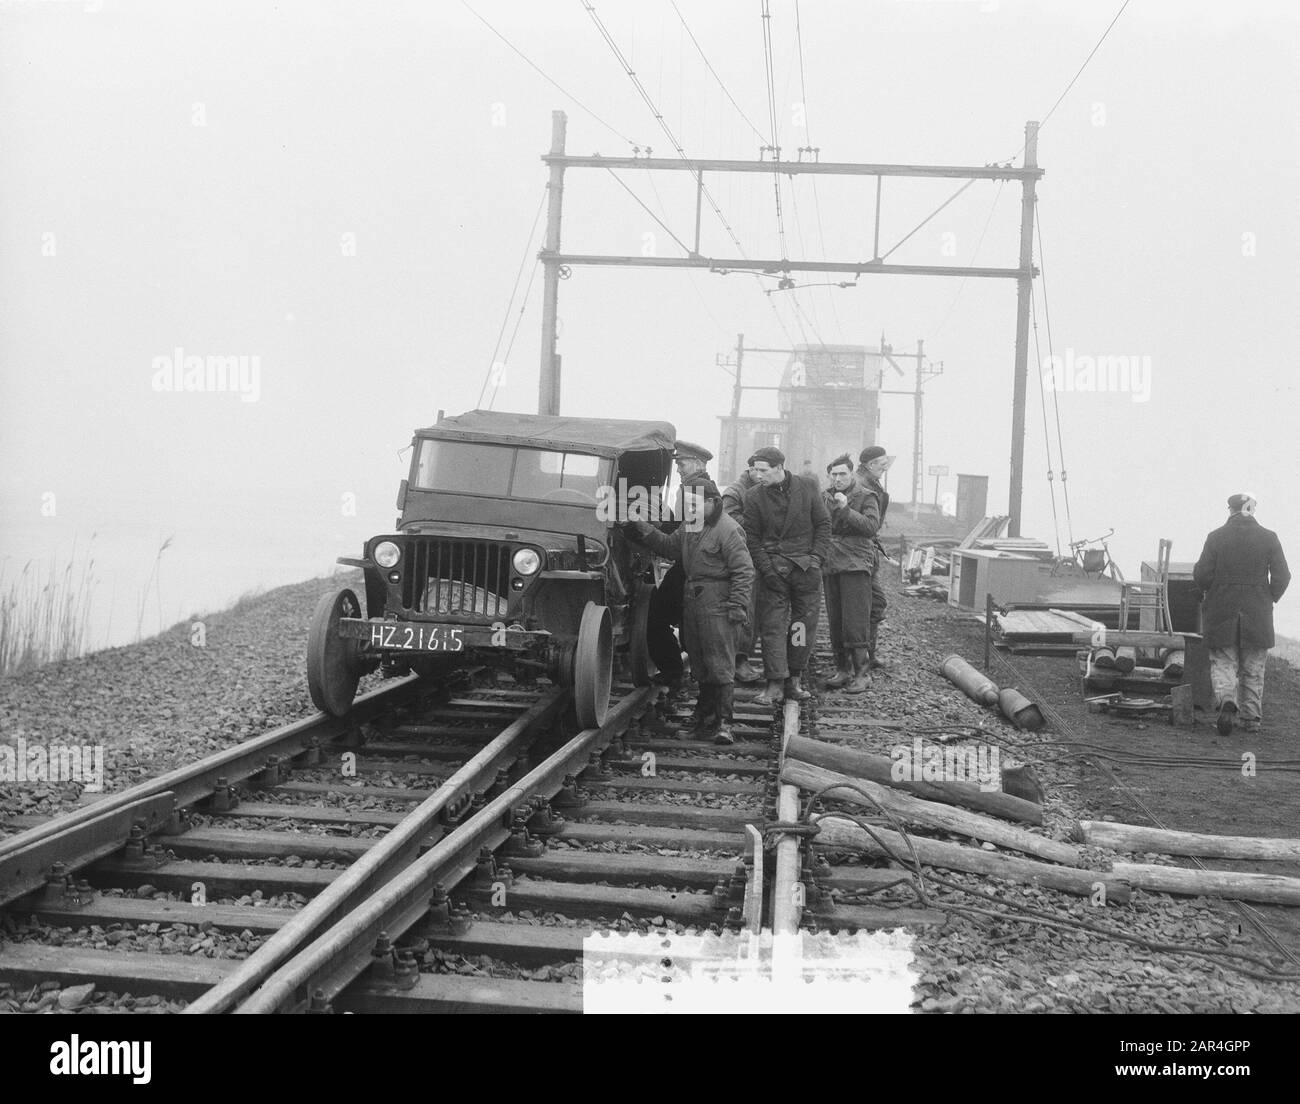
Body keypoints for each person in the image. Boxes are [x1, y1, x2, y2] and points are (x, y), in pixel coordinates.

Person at [627, 480, 754, 745]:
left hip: (718, 603)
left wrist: (737, 606)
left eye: (694, 505)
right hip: (693, 601)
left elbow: (744, 571)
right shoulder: (691, 525)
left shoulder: (729, 530)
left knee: (720, 664)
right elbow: (670, 547)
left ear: (713, 503)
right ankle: (703, 719)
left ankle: (724, 724)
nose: (690, 510)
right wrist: (641, 526)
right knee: (699, 662)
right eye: (687, 505)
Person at [1193, 493, 1290, 736]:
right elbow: (1283, 576)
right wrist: (1268, 596)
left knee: (1224, 662)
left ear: (1230, 509)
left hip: (1222, 610)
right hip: (1258, 612)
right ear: (1253, 510)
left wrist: (1213, 588)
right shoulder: (1269, 538)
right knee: (1253, 667)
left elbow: (1202, 575)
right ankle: (1251, 719)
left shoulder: (1215, 538)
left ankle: (1227, 699)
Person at [742, 446, 831, 704]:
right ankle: (774, 684)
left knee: (801, 627)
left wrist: (816, 559)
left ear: (779, 467)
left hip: (806, 571)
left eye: (763, 470)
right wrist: (767, 570)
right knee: (773, 628)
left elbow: (823, 524)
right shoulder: (754, 496)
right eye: (755, 470)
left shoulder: (807, 487)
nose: (758, 475)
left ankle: (794, 679)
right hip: (773, 572)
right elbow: (753, 538)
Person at [645, 440, 715, 686]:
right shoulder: (693, 487)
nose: (679, 469)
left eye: (682, 464)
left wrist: (650, 530)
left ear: (697, 464)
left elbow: (690, 536)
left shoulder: (695, 491)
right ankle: (694, 674)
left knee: (658, 618)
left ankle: (675, 672)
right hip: (691, 564)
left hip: (689, 566)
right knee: (687, 625)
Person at [821, 453, 882, 693]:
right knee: (836, 619)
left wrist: (846, 510)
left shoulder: (866, 496)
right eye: (834, 474)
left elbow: (871, 527)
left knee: (855, 621)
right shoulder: (823, 497)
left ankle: (862, 674)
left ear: (851, 474)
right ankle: (843, 670)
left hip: (856, 563)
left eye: (842, 474)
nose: (838, 478)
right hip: (831, 563)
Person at [723, 455, 762, 684]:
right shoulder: (735, 492)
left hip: (759, 556)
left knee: (757, 612)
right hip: (742, 560)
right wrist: (759, 522)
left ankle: (743, 658)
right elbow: (729, 521)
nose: (762, 475)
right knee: (745, 609)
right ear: (750, 469)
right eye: (758, 470)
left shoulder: (764, 488)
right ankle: (738, 660)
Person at [856, 445, 892, 669]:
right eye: (882, 463)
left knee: (874, 604)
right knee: (870, 604)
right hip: (860, 553)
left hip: (867, 551)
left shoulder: (870, 483)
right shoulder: (862, 486)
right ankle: (861, 658)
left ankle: (867, 655)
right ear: (870, 465)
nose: (885, 468)